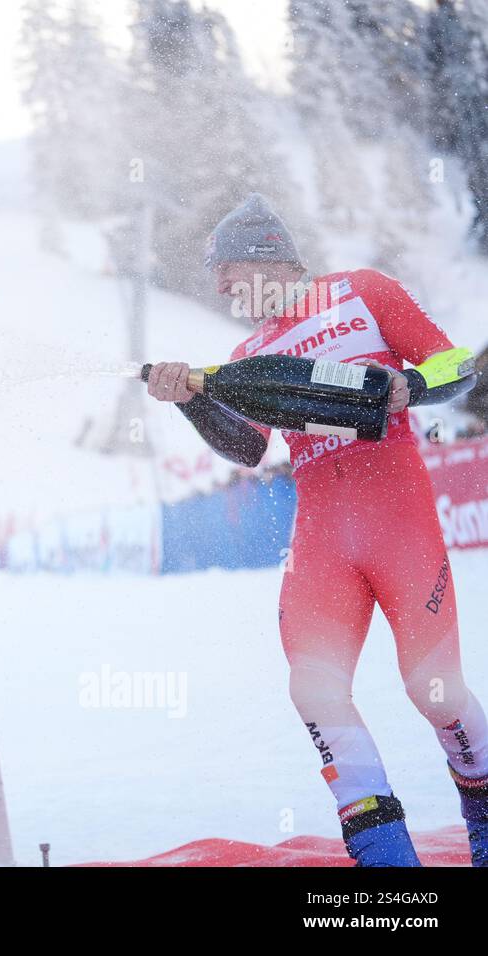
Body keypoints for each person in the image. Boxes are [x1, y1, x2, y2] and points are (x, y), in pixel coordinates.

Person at [146, 194, 485, 867]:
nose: (218, 287)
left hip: (400, 525)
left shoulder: (363, 292)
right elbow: (246, 448)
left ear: (265, 258)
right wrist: (191, 402)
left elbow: (459, 365)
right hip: (323, 542)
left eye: (225, 271)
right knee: (314, 690)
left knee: (434, 691)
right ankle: (388, 866)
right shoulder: (250, 350)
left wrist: (407, 387)